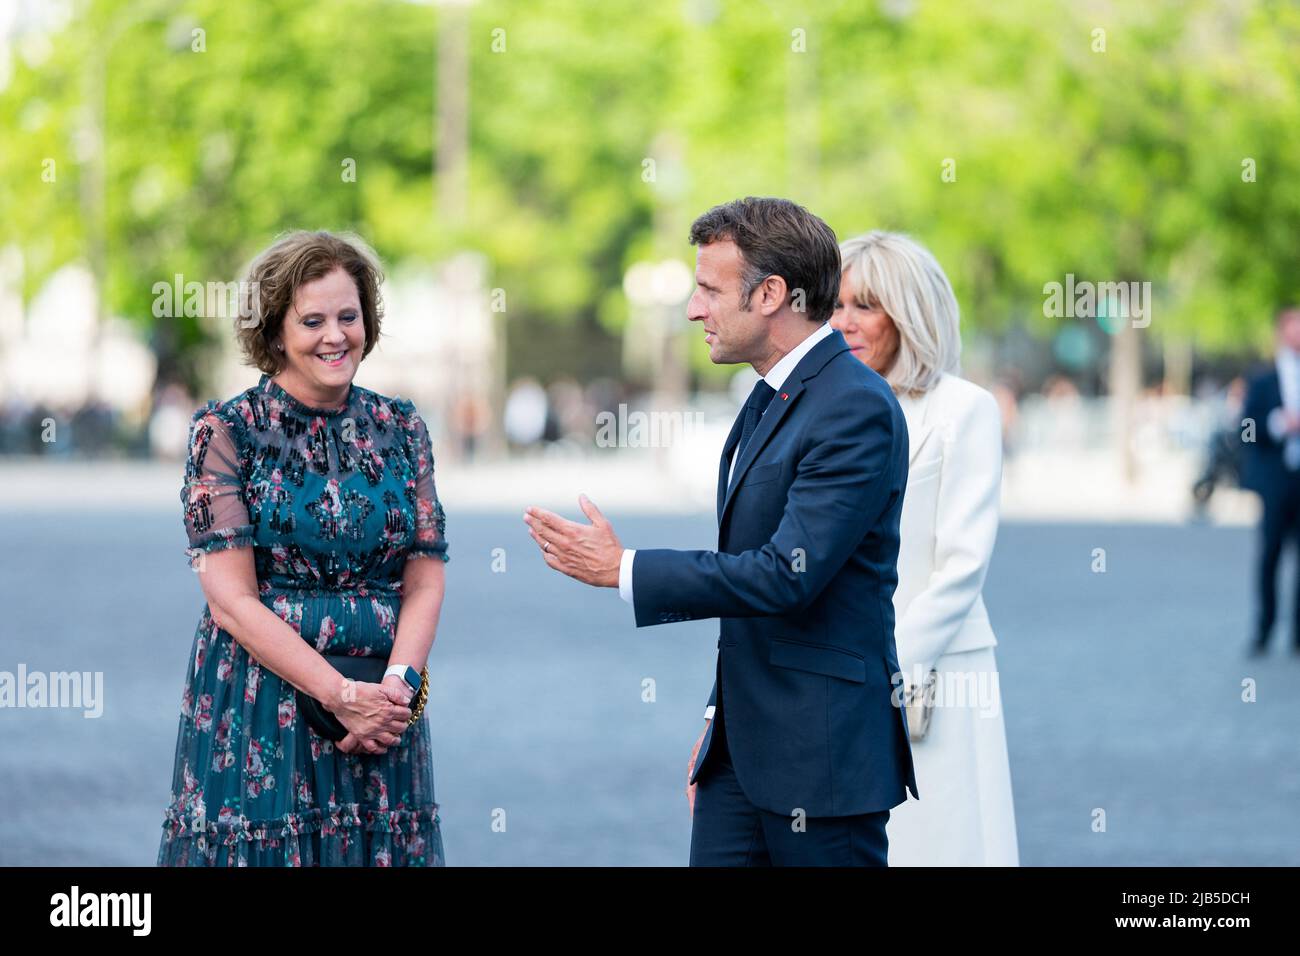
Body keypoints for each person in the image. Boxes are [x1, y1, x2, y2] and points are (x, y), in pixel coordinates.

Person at [524, 197, 917, 866]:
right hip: (741, 757)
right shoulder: (767, 397)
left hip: (822, 765)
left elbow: (785, 574)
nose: (693, 308)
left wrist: (625, 568)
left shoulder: (854, 406)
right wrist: (717, 730)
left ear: (770, 295)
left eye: (709, 289)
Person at [157, 230, 450, 866]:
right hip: (268, 702)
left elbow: (425, 574)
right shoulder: (227, 432)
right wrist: (337, 694)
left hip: (384, 710)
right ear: (273, 330)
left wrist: (396, 687)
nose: (334, 336)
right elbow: (231, 600)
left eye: (349, 316)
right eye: (312, 320)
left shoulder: (403, 428)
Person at [831, 230, 1018, 866]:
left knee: (942, 841)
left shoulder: (963, 410)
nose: (845, 322)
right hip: (840, 673)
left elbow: (962, 565)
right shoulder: (821, 410)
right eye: (835, 304)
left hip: (934, 673)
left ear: (910, 315)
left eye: (866, 305)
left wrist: (889, 666)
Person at [1240, 305, 1300, 655]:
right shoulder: (1262, 380)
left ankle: (1298, 635)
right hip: (1277, 482)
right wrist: (1279, 423)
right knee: (1271, 556)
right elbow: (1245, 430)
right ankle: (1264, 628)